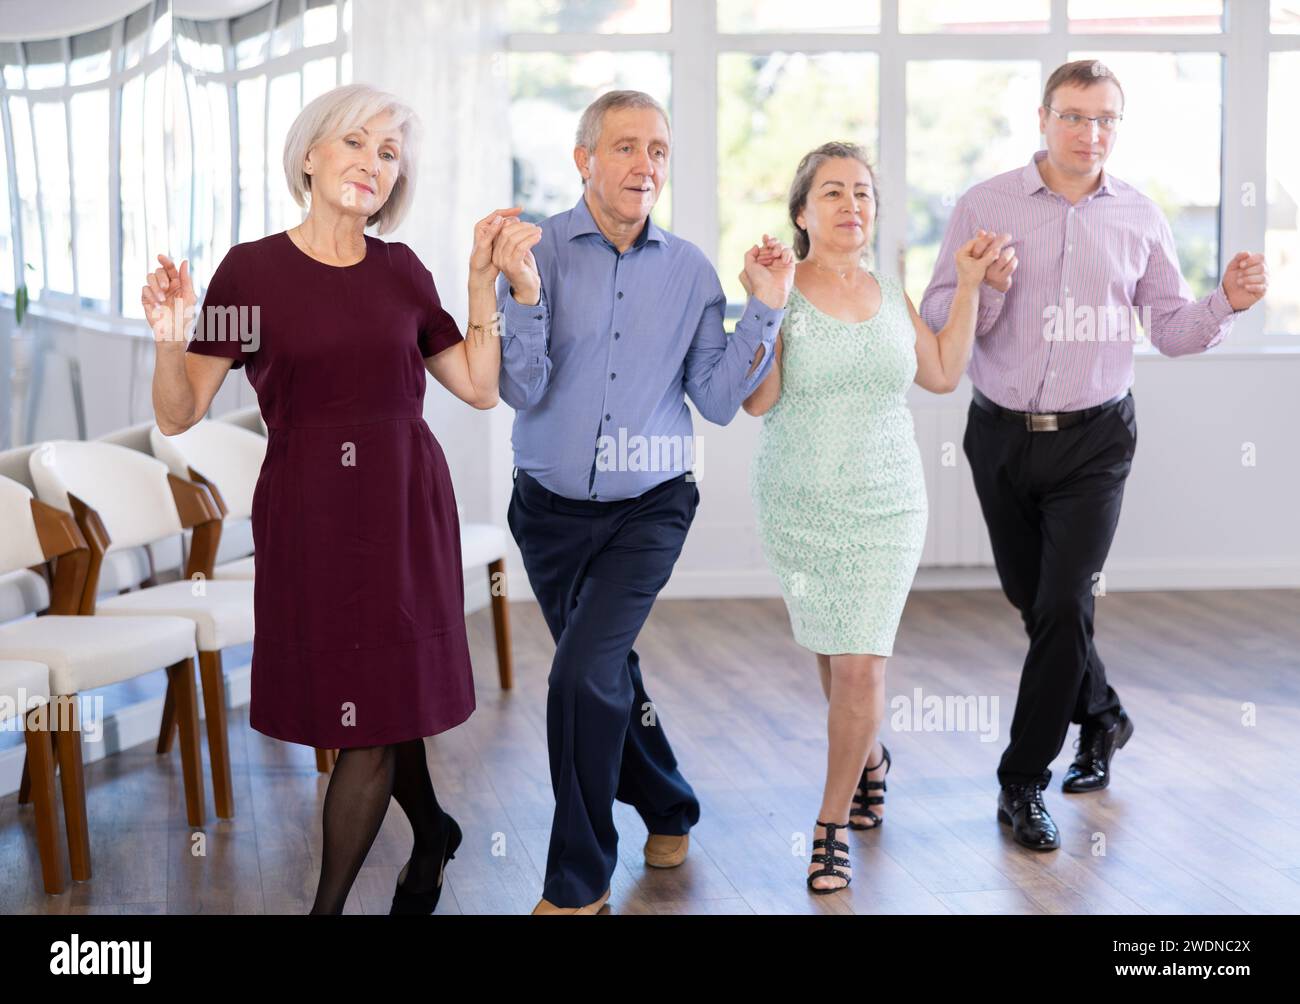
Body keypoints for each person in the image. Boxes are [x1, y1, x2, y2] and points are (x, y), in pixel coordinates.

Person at [146, 83, 529, 914]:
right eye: (355, 144)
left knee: (373, 713)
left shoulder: (402, 270)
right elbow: (180, 412)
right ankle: (433, 835)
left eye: (388, 154)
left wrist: (477, 284)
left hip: (402, 509)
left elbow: (478, 386)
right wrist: (172, 336)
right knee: (364, 703)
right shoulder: (252, 270)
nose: (372, 164)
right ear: (311, 156)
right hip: (309, 515)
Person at [920, 60, 1268, 852]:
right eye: (1075, 117)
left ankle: (1020, 781)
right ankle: (1103, 715)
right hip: (1000, 434)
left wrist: (1227, 304)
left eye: (1105, 118)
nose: (1091, 133)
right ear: (1042, 119)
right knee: (1036, 603)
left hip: (1096, 441)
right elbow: (945, 313)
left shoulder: (1140, 216)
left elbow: (1171, 330)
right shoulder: (986, 204)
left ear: (1119, 125)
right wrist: (990, 284)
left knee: (1065, 602)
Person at [496, 89, 795, 914]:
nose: (645, 164)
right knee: (604, 673)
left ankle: (577, 880)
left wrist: (764, 305)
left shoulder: (693, 270)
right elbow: (518, 386)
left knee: (582, 673)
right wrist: (519, 290)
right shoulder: (534, 252)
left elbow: (717, 397)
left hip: (649, 508)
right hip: (548, 511)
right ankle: (669, 804)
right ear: (584, 159)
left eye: (657, 149)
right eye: (626, 146)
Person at [744, 142, 1008, 893]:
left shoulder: (892, 292)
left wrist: (966, 285)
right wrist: (764, 305)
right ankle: (872, 757)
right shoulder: (781, 293)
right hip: (799, 501)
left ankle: (827, 827)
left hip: (887, 502)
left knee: (860, 661)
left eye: (862, 192)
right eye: (832, 192)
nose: (851, 204)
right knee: (835, 655)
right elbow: (758, 401)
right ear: (802, 212)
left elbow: (944, 371)